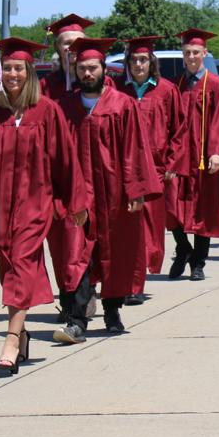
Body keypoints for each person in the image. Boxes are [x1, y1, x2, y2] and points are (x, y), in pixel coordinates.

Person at [0, 37, 87, 373]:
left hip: (37, 202)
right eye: (7, 68)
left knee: (21, 261)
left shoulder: (48, 111)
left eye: (18, 68)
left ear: (30, 72)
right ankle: (22, 336)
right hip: (0, 206)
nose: (12, 74)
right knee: (9, 265)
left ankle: (10, 337)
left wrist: (77, 201)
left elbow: (66, 159)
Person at [53, 38, 160, 344]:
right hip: (78, 195)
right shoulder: (65, 108)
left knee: (116, 253)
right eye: (83, 68)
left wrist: (136, 191)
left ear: (104, 69)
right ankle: (76, 320)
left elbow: (136, 150)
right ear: (76, 70)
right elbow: (57, 153)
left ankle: (112, 310)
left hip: (115, 193)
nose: (88, 73)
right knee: (76, 254)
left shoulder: (122, 105)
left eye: (93, 67)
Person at [117, 36, 184, 305]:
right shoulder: (119, 91)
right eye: (134, 60)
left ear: (151, 62)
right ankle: (130, 283)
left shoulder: (166, 90)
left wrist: (172, 164)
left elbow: (179, 130)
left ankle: (136, 283)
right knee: (126, 229)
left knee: (148, 230)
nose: (138, 64)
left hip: (155, 170)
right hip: (125, 170)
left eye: (143, 60)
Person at [41, 14, 93, 319]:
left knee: (91, 238)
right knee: (64, 239)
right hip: (60, 177)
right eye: (65, 43)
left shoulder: (96, 82)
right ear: (58, 48)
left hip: (94, 171)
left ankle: (84, 293)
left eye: (77, 44)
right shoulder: (47, 86)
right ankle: (73, 295)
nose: (71, 49)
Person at [170, 28, 219, 281]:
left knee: (204, 208)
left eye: (196, 52)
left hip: (206, 157)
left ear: (204, 53)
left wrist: (217, 152)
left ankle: (198, 262)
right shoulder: (177, 85)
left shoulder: (216, 85)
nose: (192, 56)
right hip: (181, 156)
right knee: (173, 207)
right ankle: (183, 247)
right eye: (187, 53)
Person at [41, 14, 93, 100]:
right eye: (68, 43)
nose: (74, 46)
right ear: (57, 47)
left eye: (79, 42)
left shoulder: (99, 82)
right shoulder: (46, 85)